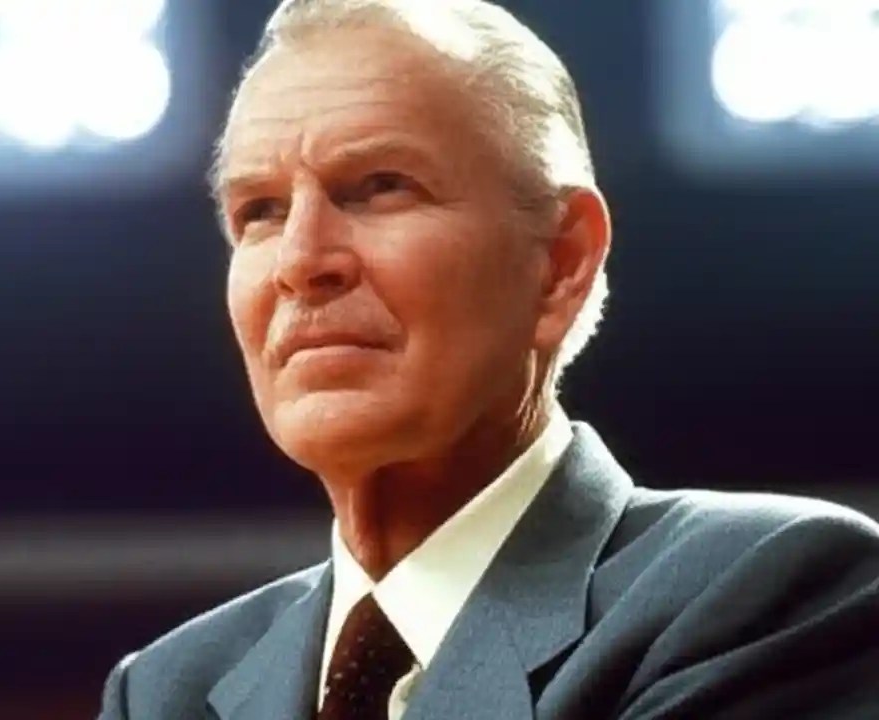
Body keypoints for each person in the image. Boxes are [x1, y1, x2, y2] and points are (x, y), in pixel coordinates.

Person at [98, 1, 879, 718]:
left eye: (378, 187)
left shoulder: (761, 593)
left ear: (560, 262)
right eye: (260, 211)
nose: (301, 261)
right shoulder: (169, 690)